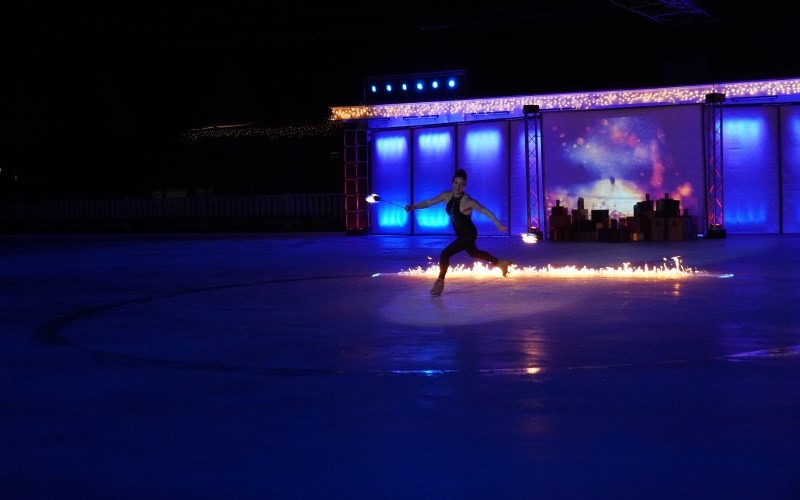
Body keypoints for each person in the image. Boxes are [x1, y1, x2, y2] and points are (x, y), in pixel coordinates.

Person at [405, 168, 513, 296]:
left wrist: (498, 224)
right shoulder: (446, 195)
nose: (458, 186)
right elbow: (429, 202)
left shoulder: (467, 200)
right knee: (474, 253)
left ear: (465, 186)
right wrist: (413, 207)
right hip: (461, 235)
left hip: (469, 234)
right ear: (452, 182)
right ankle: (501, 263)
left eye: (461, 184)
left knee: (445, 254)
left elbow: (484, 210)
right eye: (456, 183)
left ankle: (439, 283)